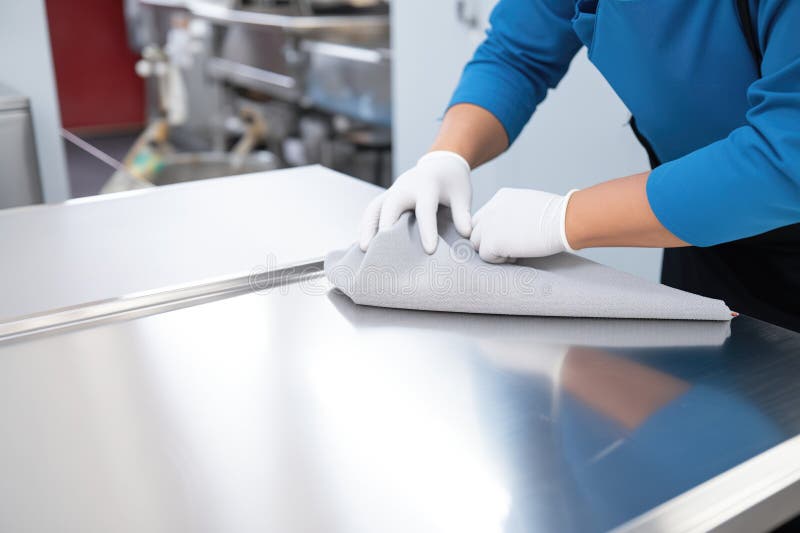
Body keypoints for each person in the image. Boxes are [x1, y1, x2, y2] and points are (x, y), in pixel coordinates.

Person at [358, 0, 800, 332]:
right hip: (700, 239)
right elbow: (517, 54)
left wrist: (563, 218)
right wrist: (447, 155)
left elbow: (785, 161)